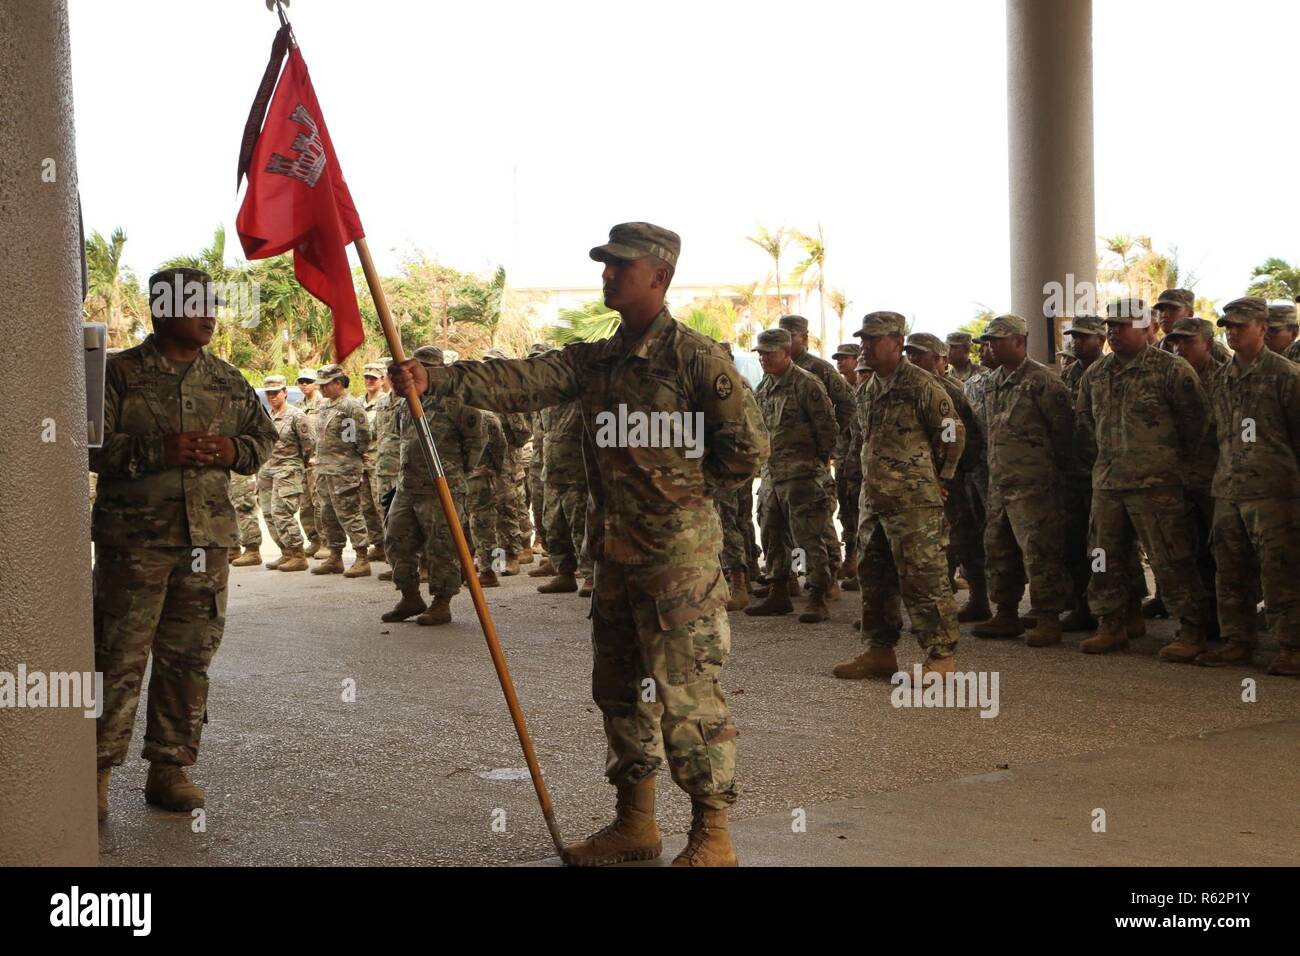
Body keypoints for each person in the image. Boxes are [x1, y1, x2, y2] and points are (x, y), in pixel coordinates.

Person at [389, 221, 766, 866]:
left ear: (660, 276)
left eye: (622, 265)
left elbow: (747, 451)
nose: (607, 274)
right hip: (614, 559)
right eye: (605, 264)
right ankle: (636, 824)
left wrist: (677, 495)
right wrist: (436, 379)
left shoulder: (696, 360)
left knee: (688, 697)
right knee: (620, 693)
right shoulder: (595, 360)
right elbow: (521, 381)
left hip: (677, 566)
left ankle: (713, 834)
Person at [90, 267, 276, 822]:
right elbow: (89, 446)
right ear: (161, 309)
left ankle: (169, 768)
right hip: (135, 543)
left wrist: (232, 450)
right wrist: (159, 450)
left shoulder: (226, 378)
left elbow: (262, 440)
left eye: (213, 304)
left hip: (207, 542)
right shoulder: (118, 373)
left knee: (189, 659)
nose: (209, 315)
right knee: (116, 658)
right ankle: (94, 772)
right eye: (195, 304)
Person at [1074, 298, 1210, 659]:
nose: (1113, 333)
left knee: (1171, 558)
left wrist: (1172, 466)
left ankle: (1191, 628)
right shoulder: (1096, 374)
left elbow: (1197, 424)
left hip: (1157, 483)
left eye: (1122, 326)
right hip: (1108, 483)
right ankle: (1111, 624)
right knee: (1103, 556)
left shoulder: (1171, 370)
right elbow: (1084, 425)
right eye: (1110, 326)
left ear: (1146, 328)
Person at [832, 311, 965, 679]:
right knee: (874, 577)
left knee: (924, 578)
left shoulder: (920, 385)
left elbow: (952, 433)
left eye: (873, 340)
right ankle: (880, 650)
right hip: (875, 500)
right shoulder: (868, 389)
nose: (865, 347)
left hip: (913, 503)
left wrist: (942, 477)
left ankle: (941, 656)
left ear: (897, 342)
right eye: (863, 340)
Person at [1200, 297, 1300, 675]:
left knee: (1280, 570)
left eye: (1241, 326)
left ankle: (1291, 644)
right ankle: (1237, 640)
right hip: (1228, 490)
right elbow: (1213, 434)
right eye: (1228, 327)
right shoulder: (1221, 377)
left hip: (1274, 492)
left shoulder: (1286, 376)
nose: (1233, 333)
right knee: (1230, 569)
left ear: (1263, 328)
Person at [970, 314, 1073, 646]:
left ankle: (1048, 616)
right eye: (988, 341)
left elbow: (1064, 433)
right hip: (1000, 483)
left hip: (1034, 485)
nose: (990, 346)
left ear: (1019, 341)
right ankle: (1006, 612)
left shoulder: (1043, 381)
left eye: (997, 340)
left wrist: (1048, 473)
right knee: (998, 548)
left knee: (1040, 551)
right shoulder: (991, 382)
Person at [381, 345, 485, 626]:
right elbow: (401, 439)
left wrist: (457, 473)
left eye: (428, 366)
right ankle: (410, 597)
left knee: (443, 547)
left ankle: (442, 603)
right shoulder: (406, 402)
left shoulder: (457, 402)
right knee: (396, 540)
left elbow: (477, 440)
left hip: (441, 487)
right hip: (408, 485)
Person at [746, 327, 838, 623]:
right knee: (770, 531)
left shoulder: (806, 383)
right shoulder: (765, 386)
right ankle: (779, 591)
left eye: (768, 353)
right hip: (772, 475)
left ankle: (817, 595)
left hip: (802, 475)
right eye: (760, 354)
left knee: (808, 536)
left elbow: (827, 428)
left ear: (786, 353)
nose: (763, 358)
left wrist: (817, 464)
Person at [904, 333, 986, 619]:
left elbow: (967, 435)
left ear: (940, 359)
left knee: (959, 539)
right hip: (916, 479)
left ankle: (977, 599)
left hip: (949, 480)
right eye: (910, 353)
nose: (912, 359)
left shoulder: (950, 391)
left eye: (920, 354)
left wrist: (952, 474)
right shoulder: (907, 386)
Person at [779, 314, 854, 596]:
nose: (787, 340)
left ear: (804, 338)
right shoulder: (777, 368)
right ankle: (798, 576)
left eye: (792, 336)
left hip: (812, 461)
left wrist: (828, 445)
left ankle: (829, 575)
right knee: (790, 524)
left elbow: (847, 403)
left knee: (818, 519)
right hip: (784, 463)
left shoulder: (819, 369)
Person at [1057, 315, 1107, 631]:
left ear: (1100, 340)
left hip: (1106, 472)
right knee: (1074, 542)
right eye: (1074, 336)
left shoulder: (1109, 371)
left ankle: (1123, 611)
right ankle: (1082, 605)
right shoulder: (1067, 375)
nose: (1076, 342)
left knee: (1106, 546)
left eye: (1083, 337)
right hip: (1074, 473)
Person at [309, 364, 373, 577]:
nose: (322, 389)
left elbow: (362, 437)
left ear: (338, 383)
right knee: (328, 514)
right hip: (325, 468)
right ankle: (335, 556)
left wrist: (355, 456)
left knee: (349, 513)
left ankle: (362, 557)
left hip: (344, 469)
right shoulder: (324, 406)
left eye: (325, 385)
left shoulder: (350, 406)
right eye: (320, 386)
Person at [258, 375, 315, 572]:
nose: (272, 396)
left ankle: (298, 554)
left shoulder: (297, 416)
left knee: (282, 512)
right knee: (268, 513)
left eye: (276, 392)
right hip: (268, 469)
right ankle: (286, 552)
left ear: (284, 392)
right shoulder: (267, 416)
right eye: (269, 393)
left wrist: (300, 463)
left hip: (288, 469)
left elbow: (309, 444)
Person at [831, 343, 863, 588]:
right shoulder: (841, 391)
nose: (840, 362)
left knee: (862, 514)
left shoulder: (865, 388)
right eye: (838, 358)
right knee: (846, 512)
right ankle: (850, 558)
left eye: (845, 358)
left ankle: (862, 564)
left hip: (862, 465)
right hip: (843, 462)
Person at [1154, 288, 1232, 363]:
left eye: (1173, 309)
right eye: (1161, 310)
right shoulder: (1152, 350)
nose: (1164, 315)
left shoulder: (1212, 349)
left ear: (1190, 313)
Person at [295, 368, 326, 556]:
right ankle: (314, 540)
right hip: (303, 462)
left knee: (319, 503)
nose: (304, 384)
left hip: (318, 462)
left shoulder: (323, 404)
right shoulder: (298, 406)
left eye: (308, 381)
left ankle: (326, 542)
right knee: (305, 505)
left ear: (316, 383)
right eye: (301, 381)